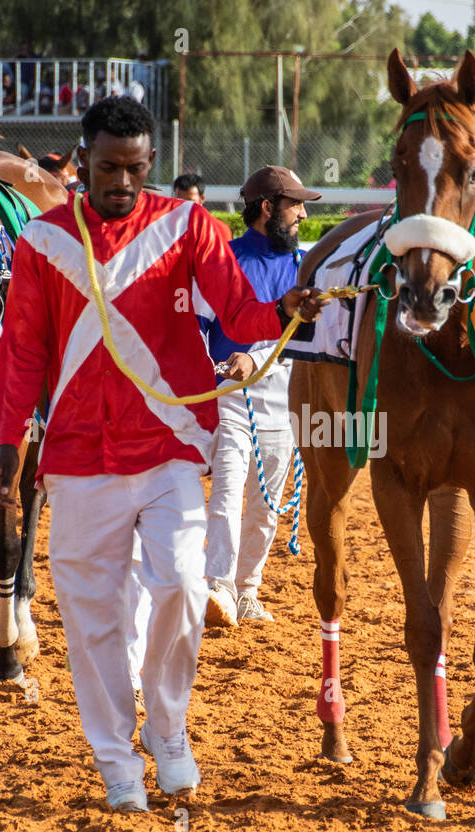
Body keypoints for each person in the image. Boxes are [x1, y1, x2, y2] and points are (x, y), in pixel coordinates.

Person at [0, 95, 321, 813]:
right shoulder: (45, 242)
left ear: (150, 164)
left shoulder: (186, 226)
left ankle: (168, 728)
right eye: (108, 168)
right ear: (85, 162)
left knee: (179, 585)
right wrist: (8, 443)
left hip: (170, 445)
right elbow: (21, 353)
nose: (122, 183)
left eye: (135, 169)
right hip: (77, 458)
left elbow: (237, 312)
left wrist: (285, 309)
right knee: (93, 617)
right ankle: (114, 761)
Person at [203, 165, 319, 627]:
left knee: (267, 504)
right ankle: (218, 586)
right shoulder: (222, 263)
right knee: (228, 494)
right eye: (296, 206)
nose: (304, 216)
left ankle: (247, 590)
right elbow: (197, 324)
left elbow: (308, 334)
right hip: (229, 395)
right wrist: (209, 369)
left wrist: (258, 355)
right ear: (267, 209)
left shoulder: (304, 266)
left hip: (284, 398)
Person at [173, 172, 233, 246]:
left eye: (189, 201)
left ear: (202, 198)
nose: (184, 205)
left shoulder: (219, 229)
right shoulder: (168, 228)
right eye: (179, 201)